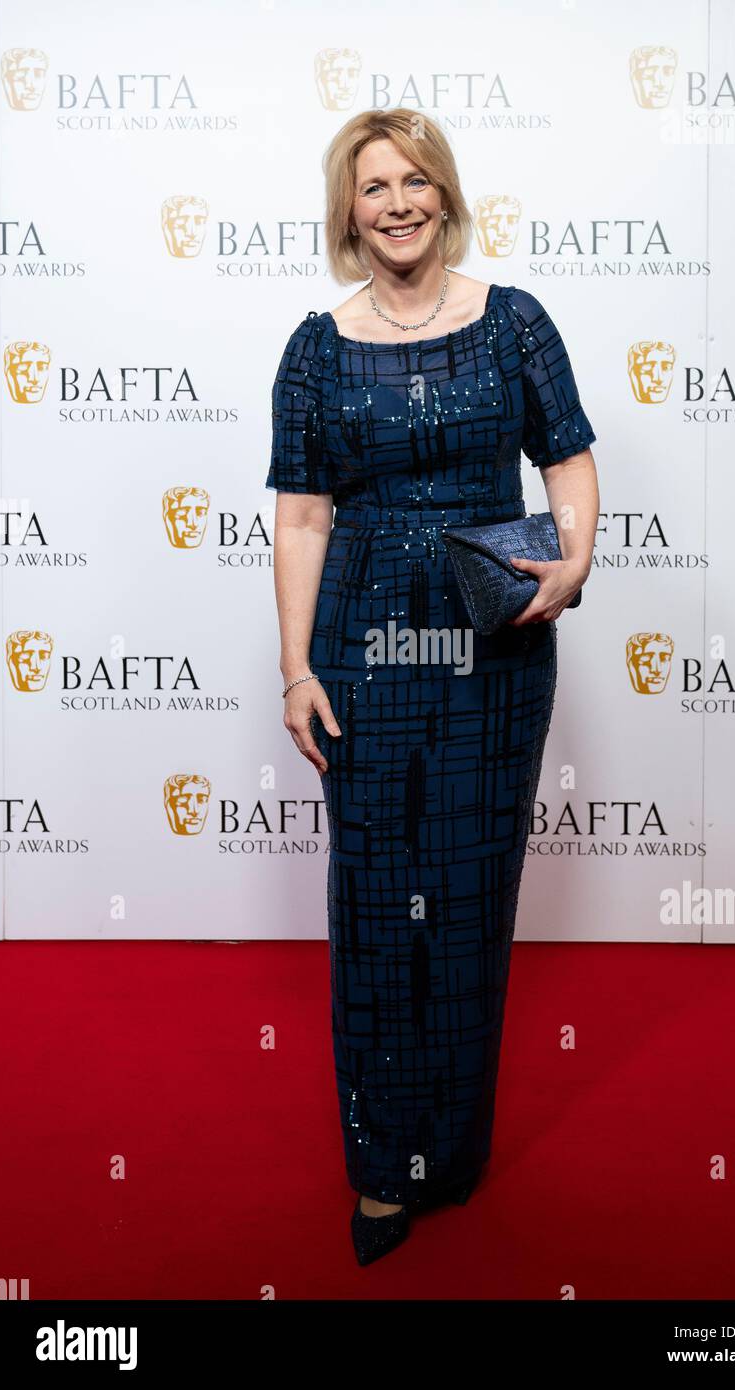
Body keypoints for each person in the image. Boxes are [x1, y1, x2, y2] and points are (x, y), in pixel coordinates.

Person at [266, 108, 599, 1266]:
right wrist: (298, 664)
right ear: (346, 210)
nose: (397, 202)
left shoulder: (513, 324)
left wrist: (574, 558)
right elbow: (303, 514)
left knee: (467, 888)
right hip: (361, 636)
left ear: (443, 195)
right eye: (373, 187)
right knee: (371, 895)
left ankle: (449, 1156)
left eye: (414, 181)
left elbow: (565, 454)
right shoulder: (315, 346)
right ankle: (379, 1169)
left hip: (490, 643)